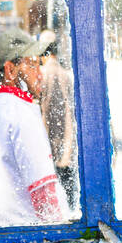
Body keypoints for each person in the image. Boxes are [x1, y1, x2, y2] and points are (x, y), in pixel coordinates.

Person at [0, 29, 67, 225]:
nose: (39, 75)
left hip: (5, 231)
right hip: (34, 239)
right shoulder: (23, 113)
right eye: (32, 66)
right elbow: (44, 194)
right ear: (10, 70)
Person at [39, 38, 77, 206]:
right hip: (67, 133)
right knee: (68, 180)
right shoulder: (65, 74)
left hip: (48, 133)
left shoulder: (42, 73)